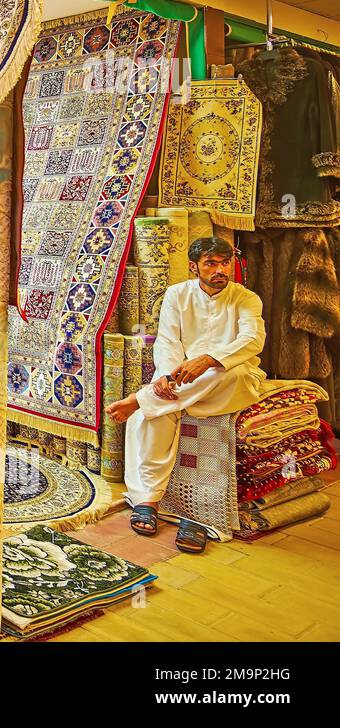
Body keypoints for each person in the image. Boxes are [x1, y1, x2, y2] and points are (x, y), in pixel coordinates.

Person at [105, 236, 272, 554]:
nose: (220, 269)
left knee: (225, 372)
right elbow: (167, 340)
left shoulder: (246, 299)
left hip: (228, 383)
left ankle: (139, 399)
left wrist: (209, 359)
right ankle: (147, 500)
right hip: (183, 380)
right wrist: (167, 376)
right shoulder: (176, 295)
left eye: (225, 262)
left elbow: (252, 340)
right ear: (194, 267)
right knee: (156, 412)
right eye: (211, 263)